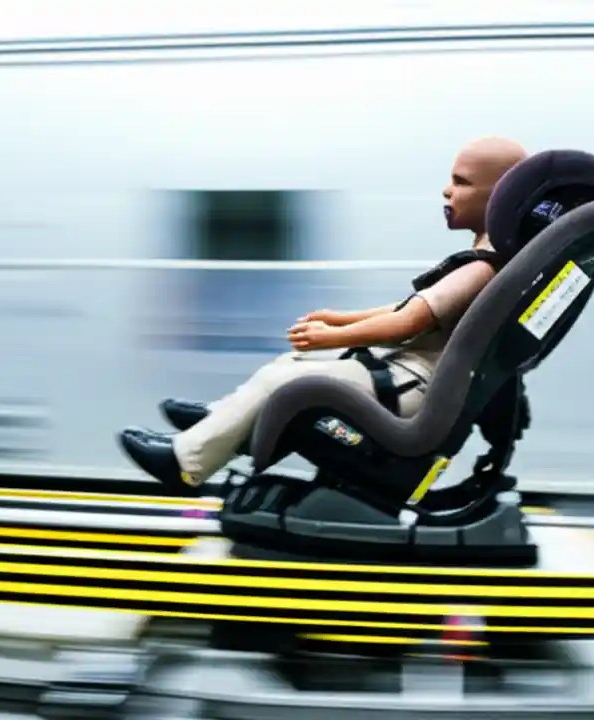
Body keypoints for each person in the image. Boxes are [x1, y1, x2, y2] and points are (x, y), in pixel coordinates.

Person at [119, 136, 530, 494]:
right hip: (408, 379)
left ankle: (185, 464)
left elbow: (409, 323)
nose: (446, 191)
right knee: (293, 363)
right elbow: (410, 309)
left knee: (289, 377)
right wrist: (340, 318)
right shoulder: (485, 264)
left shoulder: (480, 269)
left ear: (501, 198)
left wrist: (333, 338)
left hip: (410, 389)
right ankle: (222, 423)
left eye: (461, 182)